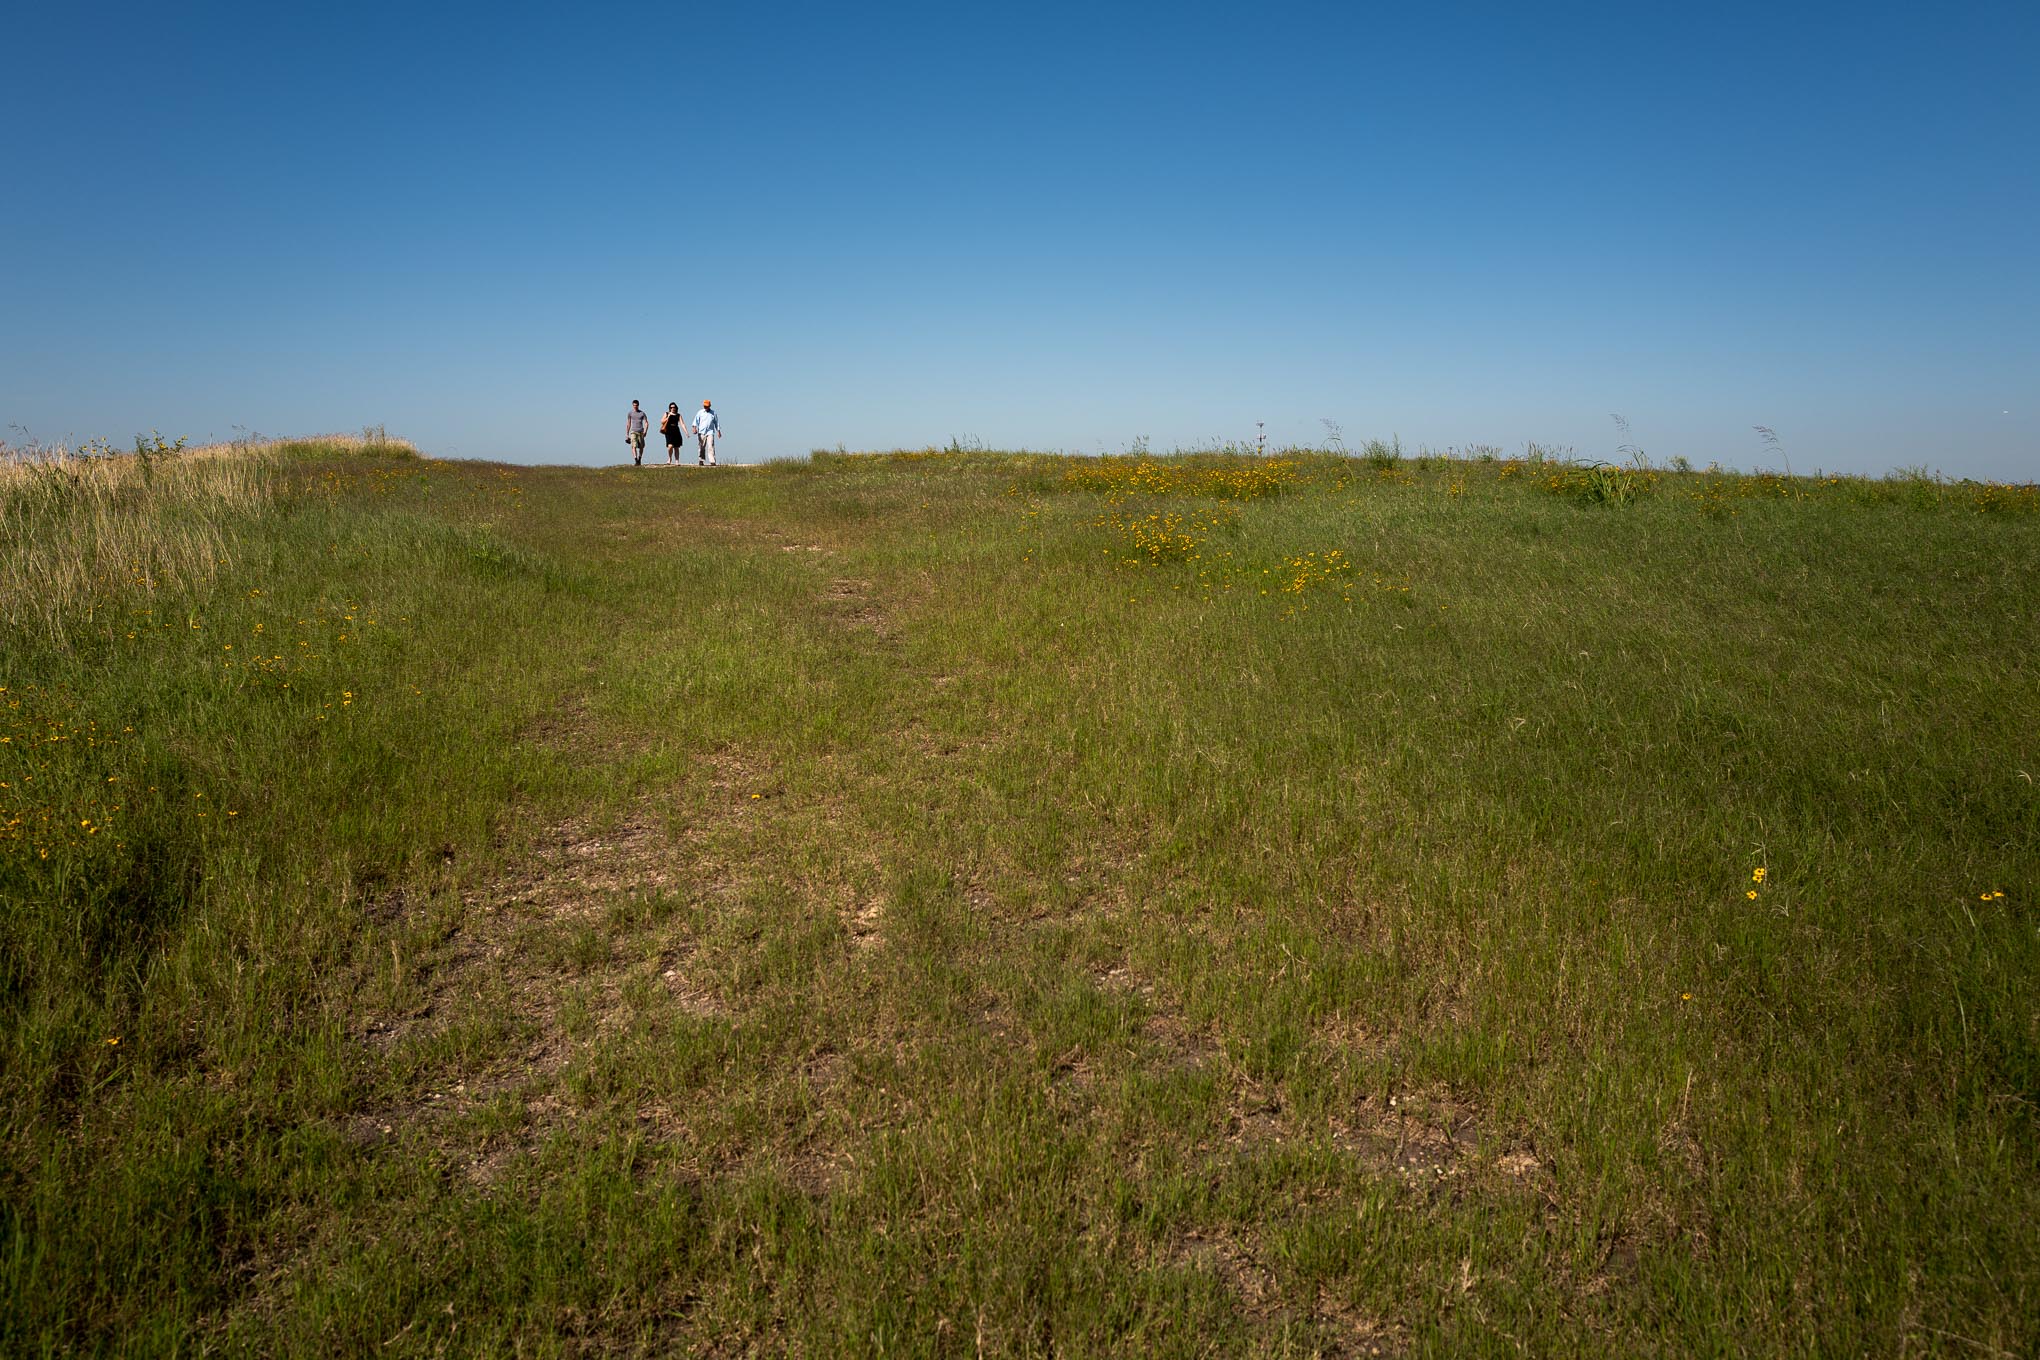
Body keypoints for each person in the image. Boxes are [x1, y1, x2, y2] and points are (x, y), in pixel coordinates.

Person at [693, 400, 722, 467]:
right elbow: (695, 421)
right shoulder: (700, 412)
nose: (705, 407)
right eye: (704, 406)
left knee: (711, 446)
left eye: (707, 406)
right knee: (701, 446)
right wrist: (694, 428)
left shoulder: (713, 413)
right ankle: (701, 460)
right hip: (701, 432)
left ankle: (712, 461)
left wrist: (719, 432)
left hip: (710, 432)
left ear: (709, 406)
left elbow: (716, 423)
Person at [625, 400, 649, 465]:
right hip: (633, 431)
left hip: (641, 431)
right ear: (632, 405)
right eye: (634, 405)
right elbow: (628, 423)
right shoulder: (630, 413)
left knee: (641, 446)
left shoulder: (642, 413)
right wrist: (627, 434)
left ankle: (639, 458)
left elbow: (646, 422)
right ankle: (636, 460)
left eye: (636, 405)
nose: (635, 406)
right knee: (633, 446)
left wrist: (645, 431)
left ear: (638, 405)